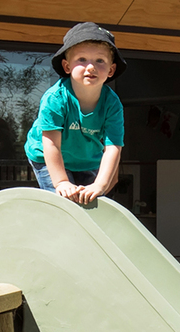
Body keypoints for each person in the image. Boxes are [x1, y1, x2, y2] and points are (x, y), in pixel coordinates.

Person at [25, 22, 126, 206]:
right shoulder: (55, 99)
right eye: (81, 59)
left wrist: (100, 185)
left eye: (100, 61)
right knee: (64, 203)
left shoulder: (112, 104)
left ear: (111, 69)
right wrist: (62, 182)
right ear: (67, 66)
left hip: (86, 158)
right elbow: (51, 144)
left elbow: (112, 148)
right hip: (48, 155)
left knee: (92, 202)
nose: (91, 67)